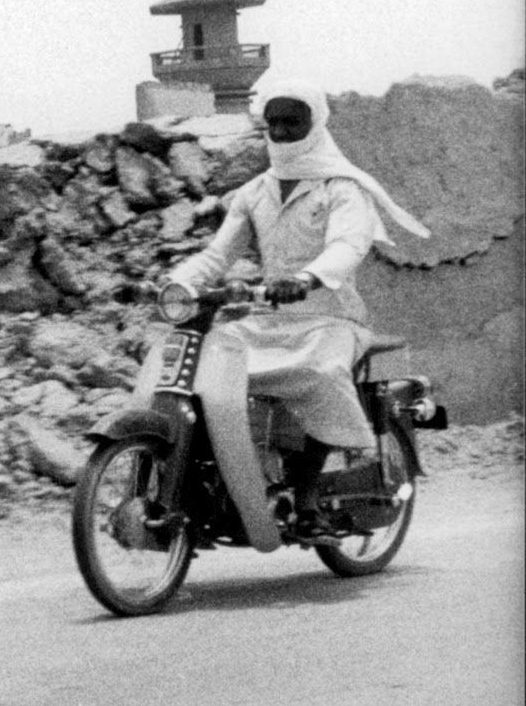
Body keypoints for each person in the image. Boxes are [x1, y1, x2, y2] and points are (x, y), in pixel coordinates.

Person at [165, 77, 429, 525]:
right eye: (273, 123)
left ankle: (306, 494)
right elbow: (217, 255)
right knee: (209, 367)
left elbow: (347, 246)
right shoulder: (254, 192)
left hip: (331, 318)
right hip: (269, 317)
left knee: (319, 373)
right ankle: (232, 475)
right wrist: (175, 284)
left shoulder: (343, 188)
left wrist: (307, 279)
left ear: (316, 122)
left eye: (293, 121)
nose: (282, 132)